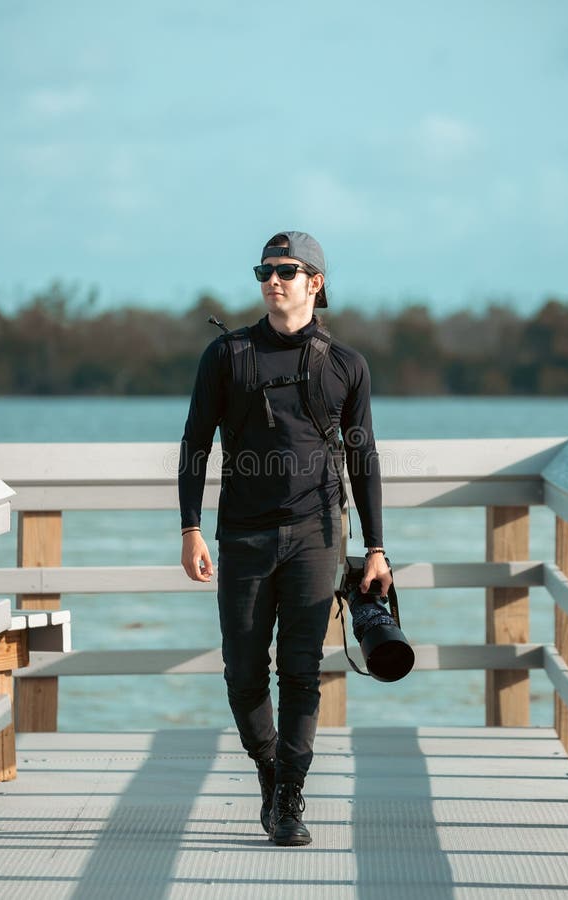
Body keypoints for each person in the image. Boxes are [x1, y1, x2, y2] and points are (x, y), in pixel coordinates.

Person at [178, 230, 391, 846]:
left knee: (301, 672)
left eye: (288, 270)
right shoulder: (226, 355)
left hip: (316, 536)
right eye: (265, 270)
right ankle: (271, 772)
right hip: (241, 537)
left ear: (315, 282)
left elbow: (364, 459)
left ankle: (290, 800)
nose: (274, 279)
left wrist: (376, 547)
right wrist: (190, 528)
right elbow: (195, 443)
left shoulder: (347, 365)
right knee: (243, 672)